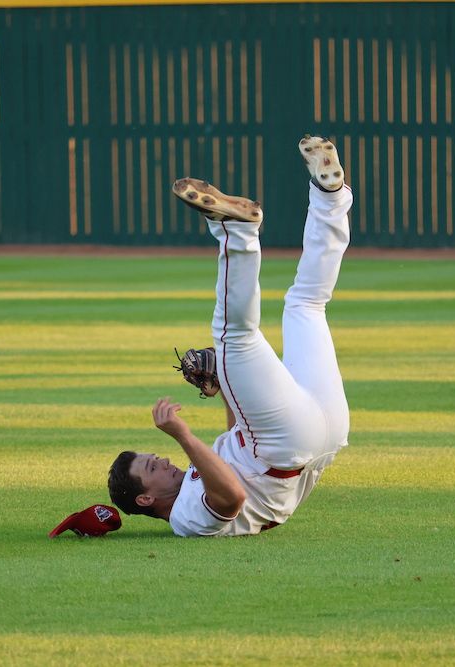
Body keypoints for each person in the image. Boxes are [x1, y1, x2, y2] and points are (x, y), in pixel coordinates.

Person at [107, 134, 352, 537]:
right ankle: (234, 232)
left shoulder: (190, 481)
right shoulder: (186, 520)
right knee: (231, 335)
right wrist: (182, 434)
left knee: (306, 304)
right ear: (145, 500)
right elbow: (232, 498)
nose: (164, 461)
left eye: (155, 457)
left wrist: (224, 386)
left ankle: (330, 197)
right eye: (152, 468)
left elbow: (239, 436)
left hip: (317, 435)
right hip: (285, 446)